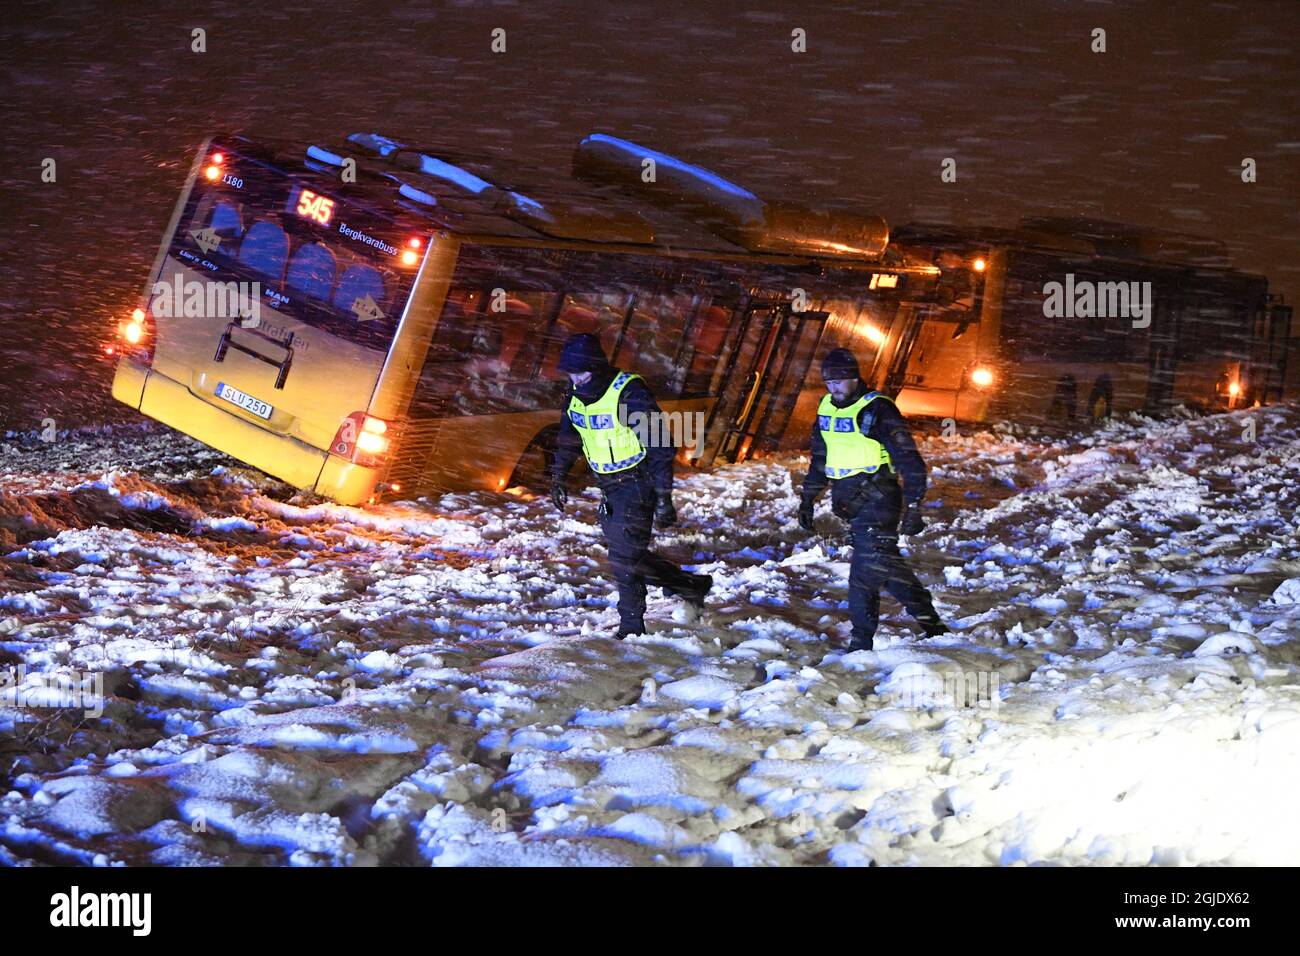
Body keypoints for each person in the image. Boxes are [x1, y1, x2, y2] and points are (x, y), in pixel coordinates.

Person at [549, 333, 712, 638]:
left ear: (596, 368)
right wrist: (558, 476)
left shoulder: (628, 393)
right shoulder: (574, 395)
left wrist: (663, 496)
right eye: (571, 374)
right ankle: (690, 586)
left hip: (637, 485)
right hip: (609, 488)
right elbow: (569, 438)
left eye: (581, 373)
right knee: (630, 556)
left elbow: (660, 447)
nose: (576, 380)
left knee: (623, 558)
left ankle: (632, 626)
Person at [798, 347, 947, 651]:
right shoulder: (826, 408)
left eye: (840, 380)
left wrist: (915, 505)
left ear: (855, 378)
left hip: (878, 501)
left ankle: (860, 643)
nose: (834, 387)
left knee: (864, 572)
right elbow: (821, 458)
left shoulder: (877, 409)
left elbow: (909, 460)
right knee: (886, 566)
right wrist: (808, 498)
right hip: (850, 502)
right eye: (828, 382)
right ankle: (932, 624)